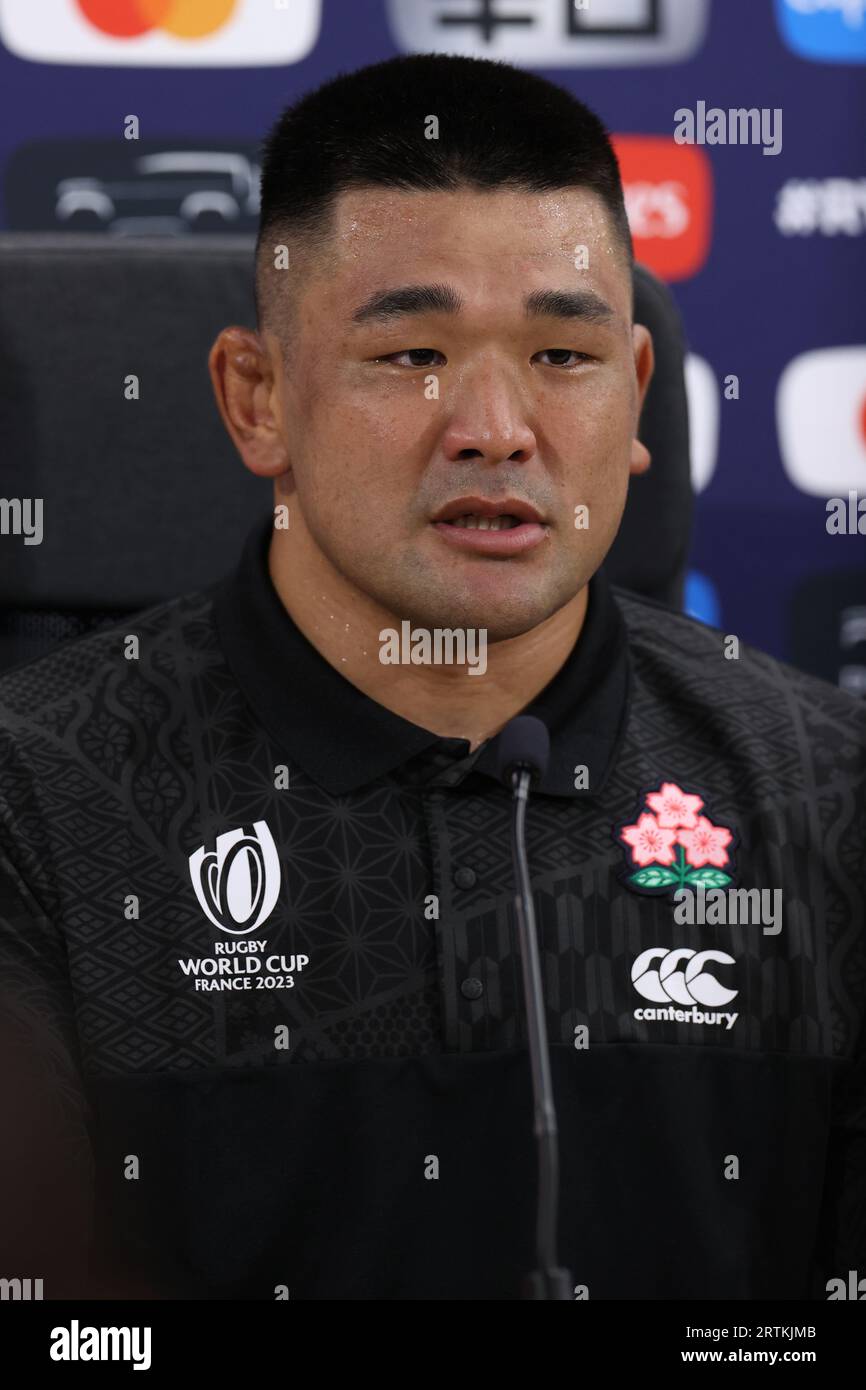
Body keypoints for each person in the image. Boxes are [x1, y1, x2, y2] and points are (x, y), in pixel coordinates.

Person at [0, 53, 863, 1302]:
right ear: (257, 400)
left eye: (561, 358)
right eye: (411, 353)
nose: (494, 427)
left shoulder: (824, 792)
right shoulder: (35, 801)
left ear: (633, 396)